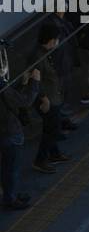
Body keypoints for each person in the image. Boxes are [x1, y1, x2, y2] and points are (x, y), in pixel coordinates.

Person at [30, 21, 71, 173]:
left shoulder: (45, 53)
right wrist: (44, 98)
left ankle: (54, 153)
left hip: (53, 96)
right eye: (55, 38)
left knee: (52, 126)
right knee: (51, 129)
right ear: (50, 39)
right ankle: (40, 160)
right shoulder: (37, 57)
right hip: (47, 99)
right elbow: (34, 80)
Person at [1, 64, 40, 210]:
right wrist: (34, 82)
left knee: (7, 167)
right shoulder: (1, 85)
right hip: (9, 131)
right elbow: (24, 101)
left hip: (3, 131)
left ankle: (10, 194)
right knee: (12, 168)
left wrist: (23, 84)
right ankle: (10, 199)